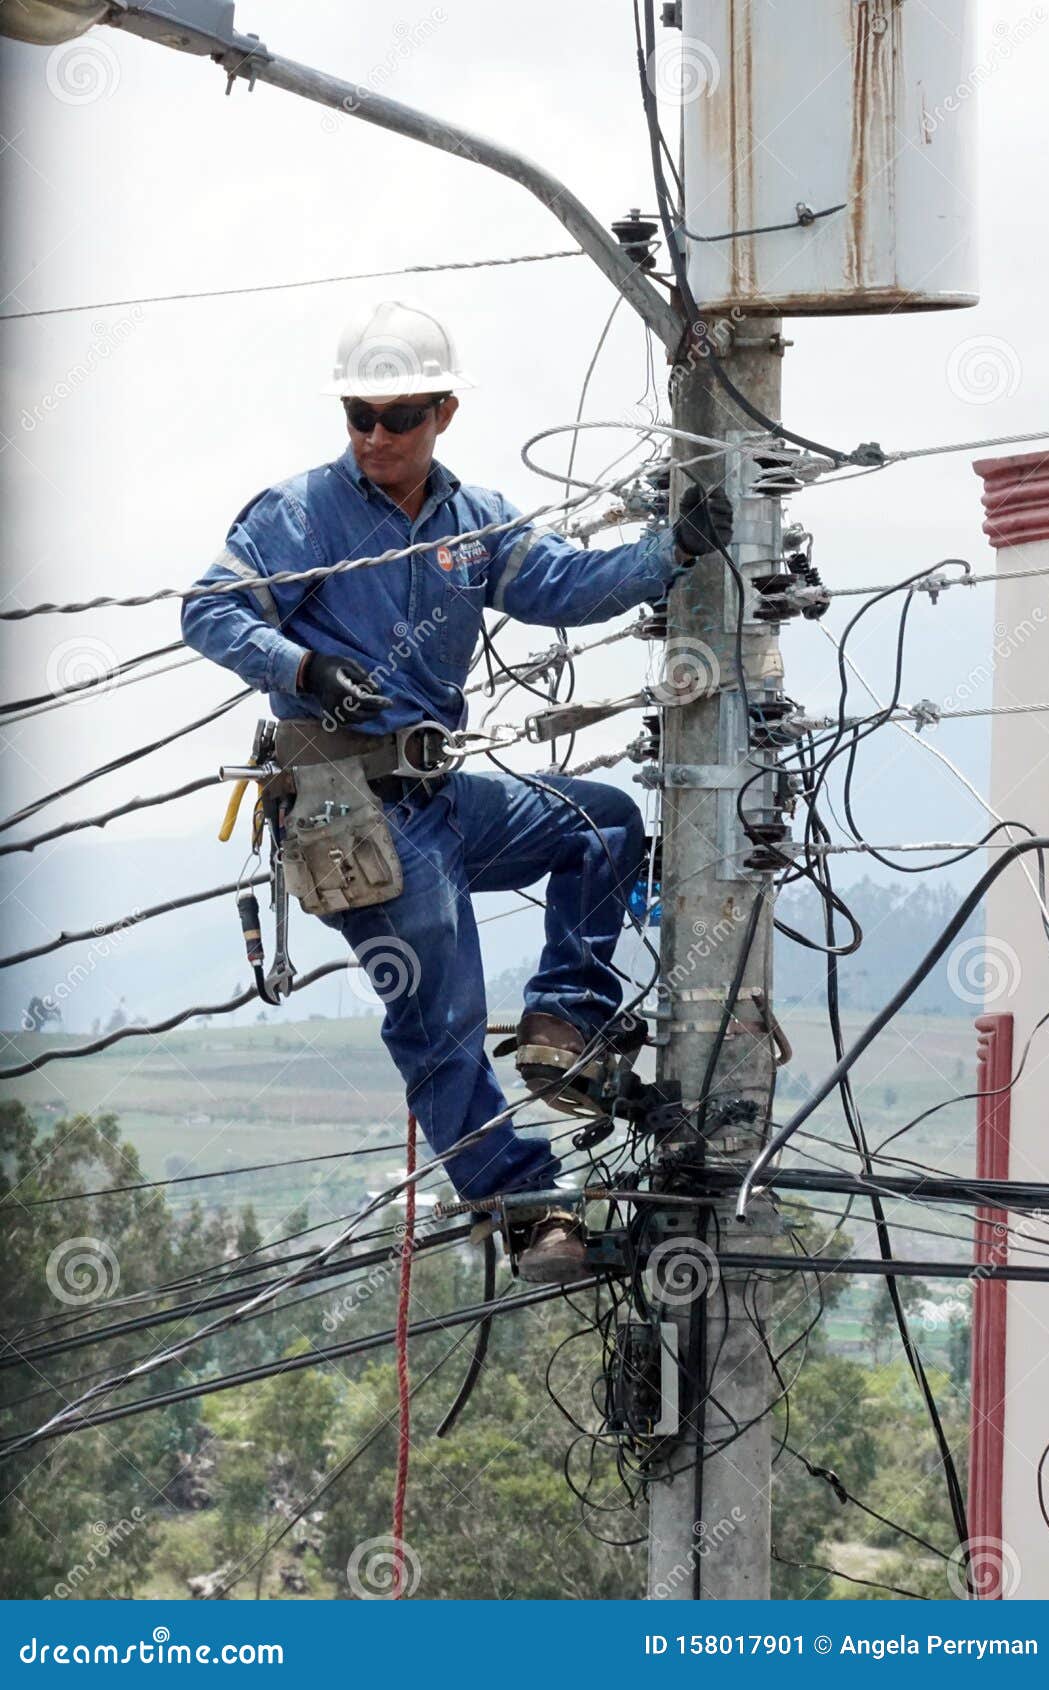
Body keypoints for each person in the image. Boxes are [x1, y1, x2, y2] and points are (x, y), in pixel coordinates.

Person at [181, 300, 731, 1282]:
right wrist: (305, 669)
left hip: (436, 798)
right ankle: (524, 1211)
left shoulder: (471, 522)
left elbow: (561, 586)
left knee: (600, 827)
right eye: (361, 416)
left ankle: (563, 1019)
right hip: (351, 808)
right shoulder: (300, 514)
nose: (377, 436)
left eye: (400, 416)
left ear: (444, 412)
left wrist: (671, 551)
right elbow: (210, 611)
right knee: (438, 1025)